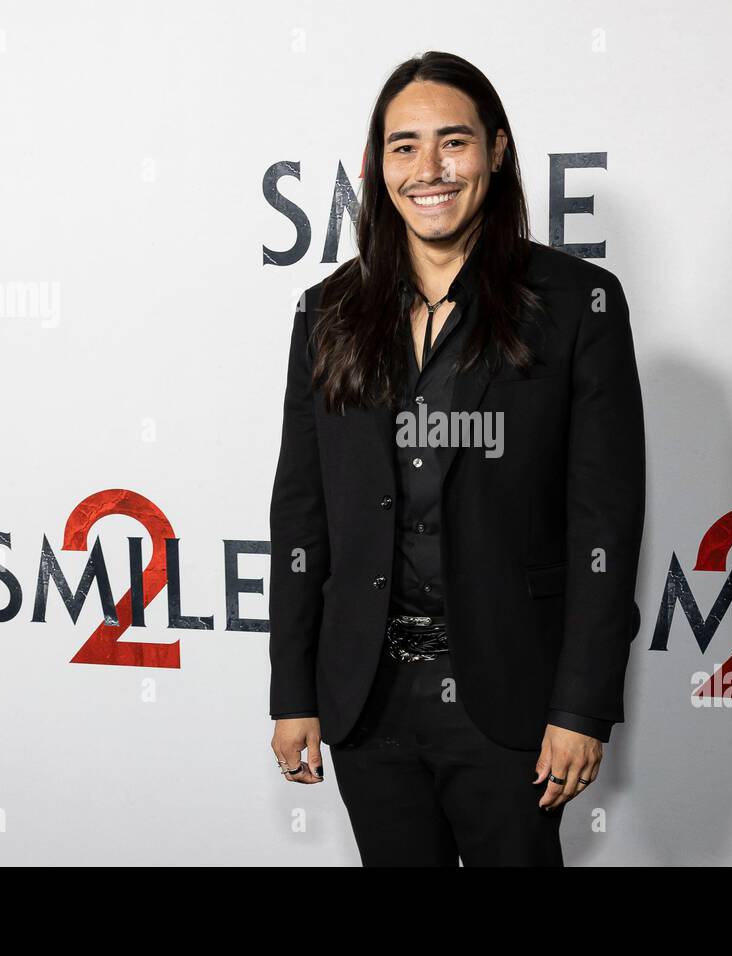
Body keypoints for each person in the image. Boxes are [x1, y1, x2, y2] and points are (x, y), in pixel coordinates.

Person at [268, 50, 645, 866]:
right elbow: (301, 510)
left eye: (454, 142)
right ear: (375, 165)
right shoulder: (327, 312)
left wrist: (581, 707)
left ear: (497, 150)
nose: (429, 169)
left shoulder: (578, 305)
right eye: (403, 146)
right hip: (365, 697)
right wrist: (294, 690)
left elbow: (605, 524)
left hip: (508, 693)